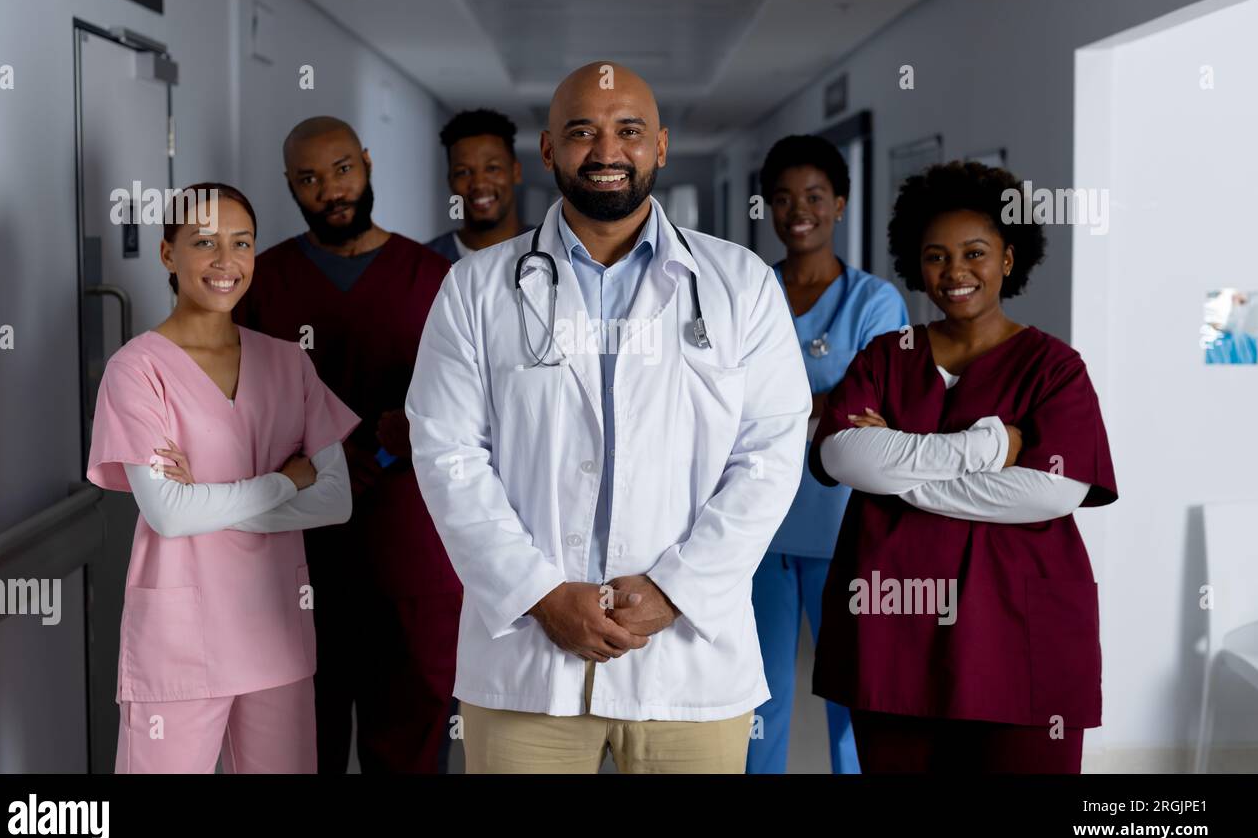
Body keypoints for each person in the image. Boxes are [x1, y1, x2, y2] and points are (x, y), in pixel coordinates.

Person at [406, 61, 811, 773]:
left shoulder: (740, 284)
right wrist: (538, 594)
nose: (606, 151)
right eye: (581, 131)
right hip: (528, 663)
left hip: (686, 662)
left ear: (661, 146)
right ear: (548, 150)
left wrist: (676, 590)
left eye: (628, 130)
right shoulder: (474, 288)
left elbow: (770, 456)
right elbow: (448, 454)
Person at [809, 161, 1118, 773]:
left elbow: (1051, 490)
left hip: (1019, 631)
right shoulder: (888, 355)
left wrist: (899, 472)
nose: (955, 272)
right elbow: (841, 453)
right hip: (894, 629)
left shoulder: (1055, 368)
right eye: (936, 257)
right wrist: (986, 447)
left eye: (975, 253)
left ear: (1008, 258)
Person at [86, 183, 360, 773]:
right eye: (204, 242)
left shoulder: (288, 363)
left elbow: (336, 500)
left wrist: (204, 501)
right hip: (180, 643)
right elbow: (168, 515)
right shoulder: (136, 370)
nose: (226, 261)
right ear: (168, 254)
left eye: (242, 243)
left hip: (275, 631)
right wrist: (284, 482)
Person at [232, 117, 461, 774]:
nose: (330, 189)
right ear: (289, 185)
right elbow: (234, 411)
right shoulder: (264, 281)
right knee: (303, 741)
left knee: (409, 740)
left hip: (411, 550)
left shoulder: (433, 276)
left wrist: (422, 431)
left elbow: (479, 406)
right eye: (309, 179)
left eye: (341, 170)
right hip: (300, 553)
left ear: (365, 163)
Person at [746, 135, 908, 775]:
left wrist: (774, 405)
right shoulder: (748, 289)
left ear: (839, 204)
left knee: (852, 695)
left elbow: (873, 406)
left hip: (845, 529)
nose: (799, 211)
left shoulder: (874, 302)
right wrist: (823, 403)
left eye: (814, 196)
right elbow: (719, 395)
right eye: (783, 199)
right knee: (759, 694)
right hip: (755, 527)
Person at [425, 109, 532, 262]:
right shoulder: (423, 262)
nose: (479, 184)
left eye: (492, 168)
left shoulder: (552, 249)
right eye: (463, 172)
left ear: (516, 172)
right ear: (450, 181)